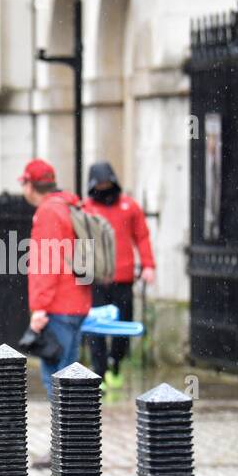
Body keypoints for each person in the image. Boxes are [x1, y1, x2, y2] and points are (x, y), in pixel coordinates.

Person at [20, 158, 90, 400]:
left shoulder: (48, 212)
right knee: (70, 376)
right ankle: (74, 432)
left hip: (58, 307)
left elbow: (45, 264)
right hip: (78, 302)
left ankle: (66, 436)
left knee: (56, 379)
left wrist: (39, 308)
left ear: (30, 185)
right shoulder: (71, 206)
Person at [82, 161, 155, 387]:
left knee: (123, 324)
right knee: (96, 329)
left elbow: (141, 236)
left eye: (107, 182)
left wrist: (148, 265)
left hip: (123, 279)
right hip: (96, 279)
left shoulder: (130, 207)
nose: (104, 187)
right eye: (100, 183)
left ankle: (116, 360)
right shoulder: (85, 209)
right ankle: (100, 371)